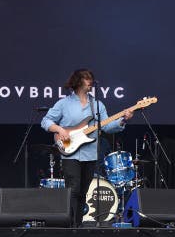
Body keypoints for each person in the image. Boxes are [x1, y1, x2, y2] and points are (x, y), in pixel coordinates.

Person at [41, 69, 133, 226]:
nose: (90, 81)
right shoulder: (64, 104)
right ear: (78, 81)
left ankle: (78, 225)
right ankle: (69, 224)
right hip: (70, 153)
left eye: (91, 78)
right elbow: (46, 121)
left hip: (90, 154)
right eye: (86, 78)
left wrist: (123, 120)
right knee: (74, 189)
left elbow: (108, 127)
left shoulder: (97, 105)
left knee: (83, 191)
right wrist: (59, 129)